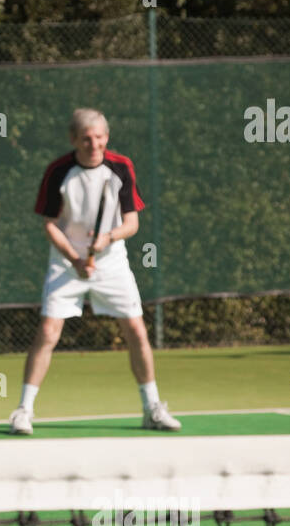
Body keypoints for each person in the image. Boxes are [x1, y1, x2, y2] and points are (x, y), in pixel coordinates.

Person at [9, 108, 180, 435]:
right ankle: (23, 411)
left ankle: (152, 409)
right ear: (73, 139)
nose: (94, 144)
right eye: (86, 139)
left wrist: (108, 238)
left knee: (136, 330)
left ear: (107, 138)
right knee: (47, 332)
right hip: (66, 261)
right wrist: (75, 259)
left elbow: (132, 223)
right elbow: (50, 224)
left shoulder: (121, 167)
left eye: (100, 137)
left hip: (112, 260)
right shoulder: (58, 171)